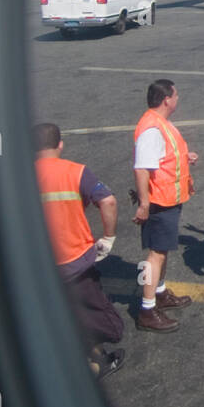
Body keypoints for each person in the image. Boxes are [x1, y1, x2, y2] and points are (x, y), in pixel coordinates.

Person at [33, 121, 125, 379]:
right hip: (75, 260)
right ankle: (90, 367)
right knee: (98, 317)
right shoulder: (76, 172)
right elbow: (108, 200)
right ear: (60, 144)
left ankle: (94, 357)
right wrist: (108, 237)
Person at [132, 79, 197, 330]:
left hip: (168, 199)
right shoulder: (152, 129)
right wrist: (144, 204)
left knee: (162, 250)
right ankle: (147, 310)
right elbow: (141, 169)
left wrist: (184, 157)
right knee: (154, 255)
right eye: (176, 95)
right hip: (158, 201)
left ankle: (159, 292)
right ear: (166, 99)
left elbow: (162, 157)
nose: (178, 99)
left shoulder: (161, 123)